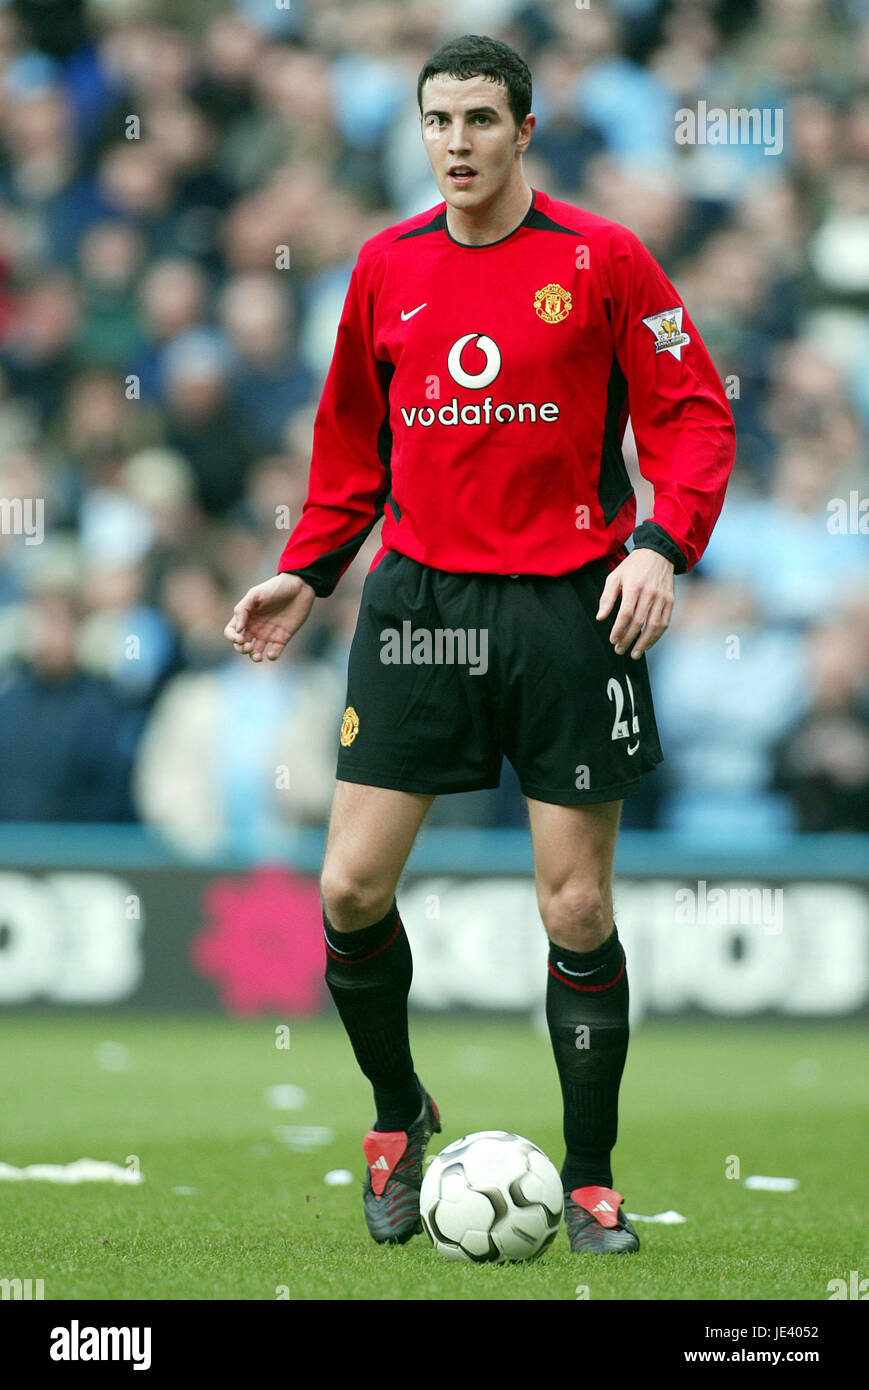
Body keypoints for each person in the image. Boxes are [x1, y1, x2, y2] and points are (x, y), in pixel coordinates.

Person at [224, 34, 735, 1255]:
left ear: (523, 131)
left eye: (479, 120)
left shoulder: (602, 259)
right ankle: (397, 1113)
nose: (455, 143)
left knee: (574, 904)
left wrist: (660, 544)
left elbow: (692, 414)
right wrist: (306, 567)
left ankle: (591, 1177)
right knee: (348, 887)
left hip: (570, 609)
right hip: (420, 608)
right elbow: (350, 452)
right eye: (437, 121)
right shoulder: (383, 266)